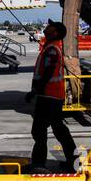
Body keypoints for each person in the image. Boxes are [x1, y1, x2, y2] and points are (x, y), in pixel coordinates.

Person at [25, 21, 76, 171]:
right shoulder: (50, 47)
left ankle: (39, 164)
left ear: (54, 33)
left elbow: (47, 73)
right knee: (59, 129)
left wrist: (35, 91)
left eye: (49, 27)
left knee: (39, 130)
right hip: (52, 96)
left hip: (49, 97)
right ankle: (74, 162)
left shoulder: (52, 50)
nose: (46, 28)